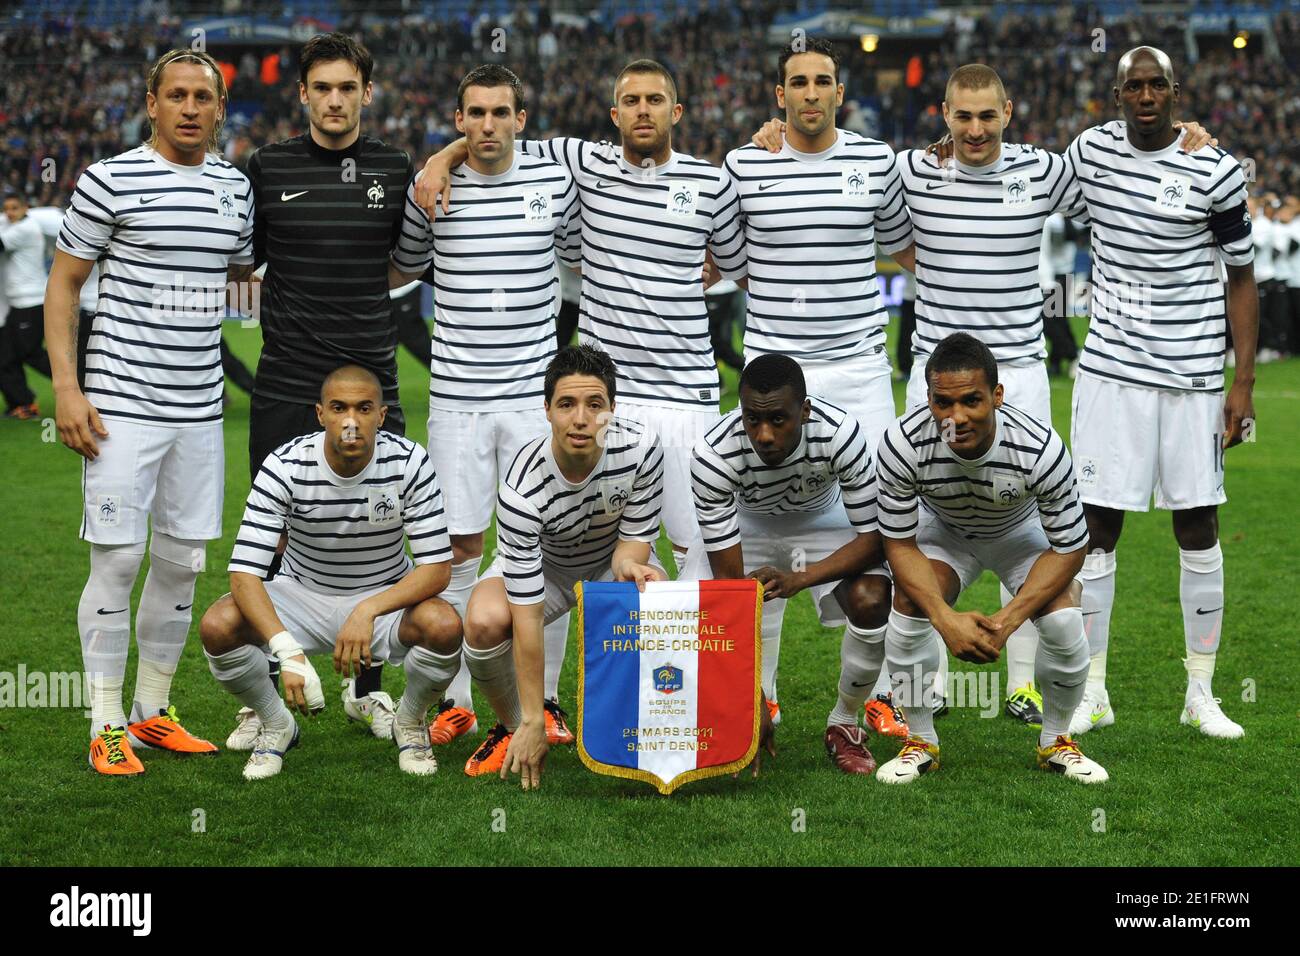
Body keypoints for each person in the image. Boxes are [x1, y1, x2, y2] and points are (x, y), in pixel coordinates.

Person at [415, 58, 747, 569]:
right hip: (599, 399)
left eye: (655, 100)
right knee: (587, 549)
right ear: (614, 114)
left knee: (694, 545)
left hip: (686, 392)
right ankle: (599, 649)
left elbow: (737, 266)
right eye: (631, 101)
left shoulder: (710, 183)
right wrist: (442, 157)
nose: (643, 111)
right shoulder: (580, 164)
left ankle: (688, 653)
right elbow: (495, 139)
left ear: (676, 111)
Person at [43, 48, 256, 776]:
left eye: (204, 96)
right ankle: (104, 723)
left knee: (181, 564)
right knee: (119, 558)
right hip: (121, 406)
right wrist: (68, 390)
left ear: (222, 108)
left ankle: (152, 714)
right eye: (177, 95)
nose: (191, 108)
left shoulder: (234, 188)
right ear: (152, 102)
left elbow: (239, 277)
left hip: (200, 410)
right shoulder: (110, 179)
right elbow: (64, 286)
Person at [1066, 47, 1257, 739]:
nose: (1145, 96)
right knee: (1096, 528)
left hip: (1193, 377)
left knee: (1197, 526)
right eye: (1132, 86)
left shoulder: (1216, 168)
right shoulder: (1089, 152)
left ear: (1176, 92)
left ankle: (1199, 694)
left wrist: (1243, 380)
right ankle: (1093, 690)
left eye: (1157, 86)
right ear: (1116, 94)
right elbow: (1015, 170)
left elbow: (1241, 276)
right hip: (1112, 372)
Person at [390, 63, 579, 748]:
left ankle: (547, 698)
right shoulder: (433, 189)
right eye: (476, 113)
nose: (489, 125)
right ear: (460, 119)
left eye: (502, 113)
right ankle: (465, 698)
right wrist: (434, 167)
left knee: (545, 544)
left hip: (534, 399)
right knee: (460, 544)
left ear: (522, 120)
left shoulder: (556, 179)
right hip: (458, 399)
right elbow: (402, 269)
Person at [723, 39, 911, 727]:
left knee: (880, 522)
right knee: (762, 520)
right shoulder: (745, 165)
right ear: (779, 95)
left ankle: (882, 695)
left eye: (822, 81)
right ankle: (760, 698)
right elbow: (734, 263)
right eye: (796, 82)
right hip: (774, 371)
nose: (809, 93)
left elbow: (902, 243)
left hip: (859, 368)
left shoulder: (875, 160)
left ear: (840, 91)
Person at [243, 32, 415, 732]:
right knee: (270, 542)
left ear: (366, 93)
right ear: (304, 94)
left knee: (377, 535)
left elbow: (406, 264)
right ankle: (265, 697)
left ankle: (366, 688)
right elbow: (243, 262)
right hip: (287, 383)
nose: (336, 100)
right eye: (324, 88)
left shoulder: (395, 168)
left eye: (349, 87)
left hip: (372, 381)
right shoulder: (266, 166)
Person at [200, 366, 461, 779]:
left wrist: (368, 609)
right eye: (339, 408)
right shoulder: (285, 465)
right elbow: (244, 576)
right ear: (320, 414)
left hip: (383, 596)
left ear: (382, 414)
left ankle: (410, 722)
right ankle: (275, 722)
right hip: (302, 593)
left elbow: (437, 568)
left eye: (363, 408)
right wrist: (287, 651)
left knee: (445, 625)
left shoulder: (410, 461)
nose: (351, 421)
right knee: (218, 624)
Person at [874, 333, 1103, 784]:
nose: (955, 418)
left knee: (1061, 620)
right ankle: (920, 740)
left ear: (997, 396)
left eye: (972, 401)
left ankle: (1055, 740)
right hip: (946, 534)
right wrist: (944, 617)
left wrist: (1006, 622)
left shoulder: (1040, 447)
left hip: (1020, 534)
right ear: (928, 398)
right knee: (908, 605)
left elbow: (1071, 547)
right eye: (943, 402)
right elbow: (898, 545)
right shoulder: (902, 444)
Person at [459, 345, 665, 789]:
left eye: (595, 405)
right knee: (483, 621)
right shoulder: (520, 487)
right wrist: (533, 717)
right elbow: (527, 615)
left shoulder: (642, 449)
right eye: (567, 404)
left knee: (658, 595)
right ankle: (513, 728)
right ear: (547, 411)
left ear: (613, 409)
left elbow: (632, 545)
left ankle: (647, 731)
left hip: (611, 561)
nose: (581, 419)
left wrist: (631, 568)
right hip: (547, 569)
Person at [688, 354, 900, 776]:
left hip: (822, 521)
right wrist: (750, 700)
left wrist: (802, 578)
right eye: (752, 420)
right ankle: (738, 716)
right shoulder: (713, 453)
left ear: (804, 411)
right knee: (697, 612)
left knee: (873, 598)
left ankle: (844, 722)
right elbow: (732, 591)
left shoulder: (840, 434)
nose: (763, 435)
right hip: (747, 526)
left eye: (779, 420)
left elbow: (874, 540)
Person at [0, 191, 51, 419]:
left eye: (14, 208)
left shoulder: (25, 230)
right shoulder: (14, 224)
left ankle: (80, 382)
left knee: (30, 353)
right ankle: (23, 404)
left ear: (26, 208)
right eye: (6, 208)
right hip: (19, 303)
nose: (10, 213)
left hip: (31, 302)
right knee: (7, 353)